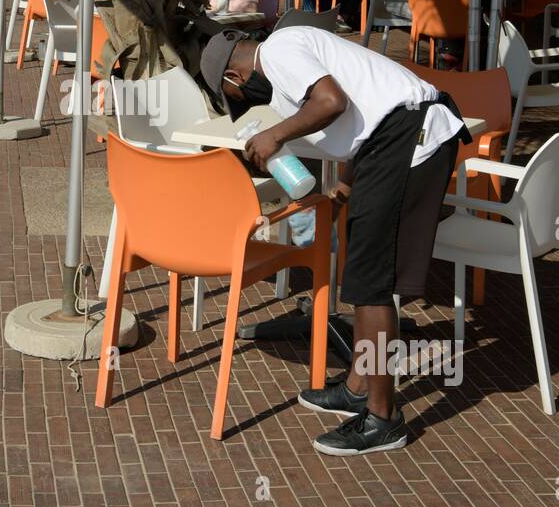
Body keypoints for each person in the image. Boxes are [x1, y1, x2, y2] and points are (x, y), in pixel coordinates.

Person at [199, 27, 467, 455]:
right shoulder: (291, 57)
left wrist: (276, 135)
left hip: (410, 138)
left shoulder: (281, 51)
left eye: (234, 91)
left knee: (372, 284)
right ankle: (360, 387)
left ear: (234, 76)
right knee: (361, 272)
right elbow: (362, 116)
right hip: (391, 138)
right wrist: (343, 189)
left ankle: (384, 418)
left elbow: (332, 102)